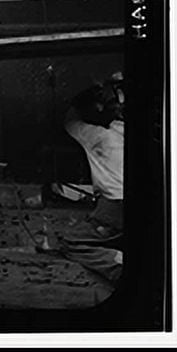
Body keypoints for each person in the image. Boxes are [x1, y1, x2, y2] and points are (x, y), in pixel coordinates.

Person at [61, 73, 125, 243]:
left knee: (72, 242)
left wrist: (80, 100)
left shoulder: (100, 137)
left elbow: (70, 123)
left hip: (114, 207)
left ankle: (115, 266)